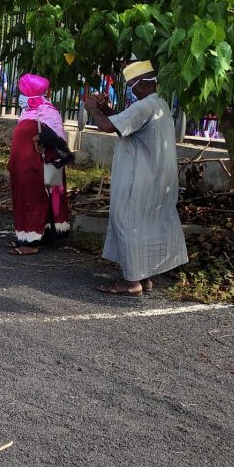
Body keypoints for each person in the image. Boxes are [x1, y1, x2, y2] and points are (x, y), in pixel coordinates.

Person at [83, 60, 188, 295]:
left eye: (132, 85)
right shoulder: (158, 104)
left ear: (141, 85)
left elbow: (109, 127)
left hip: (137, 180)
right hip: (155, 180)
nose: (131, 90)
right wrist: (106, 110)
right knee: (145, 227)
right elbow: (122, 123)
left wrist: (92, 109)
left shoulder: (145, 106)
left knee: (127, 224)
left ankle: (131, 283)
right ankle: (144, 277)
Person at [8, 74, 74, 256]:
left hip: (35, 166)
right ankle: (29, 236)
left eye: (22, 91)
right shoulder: (29, 112)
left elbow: (59, 140)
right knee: (23, 199)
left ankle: (31, 242)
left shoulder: (46, 112)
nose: (19, 95)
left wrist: (40, 137)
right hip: (22, 167)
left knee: (33, 200)